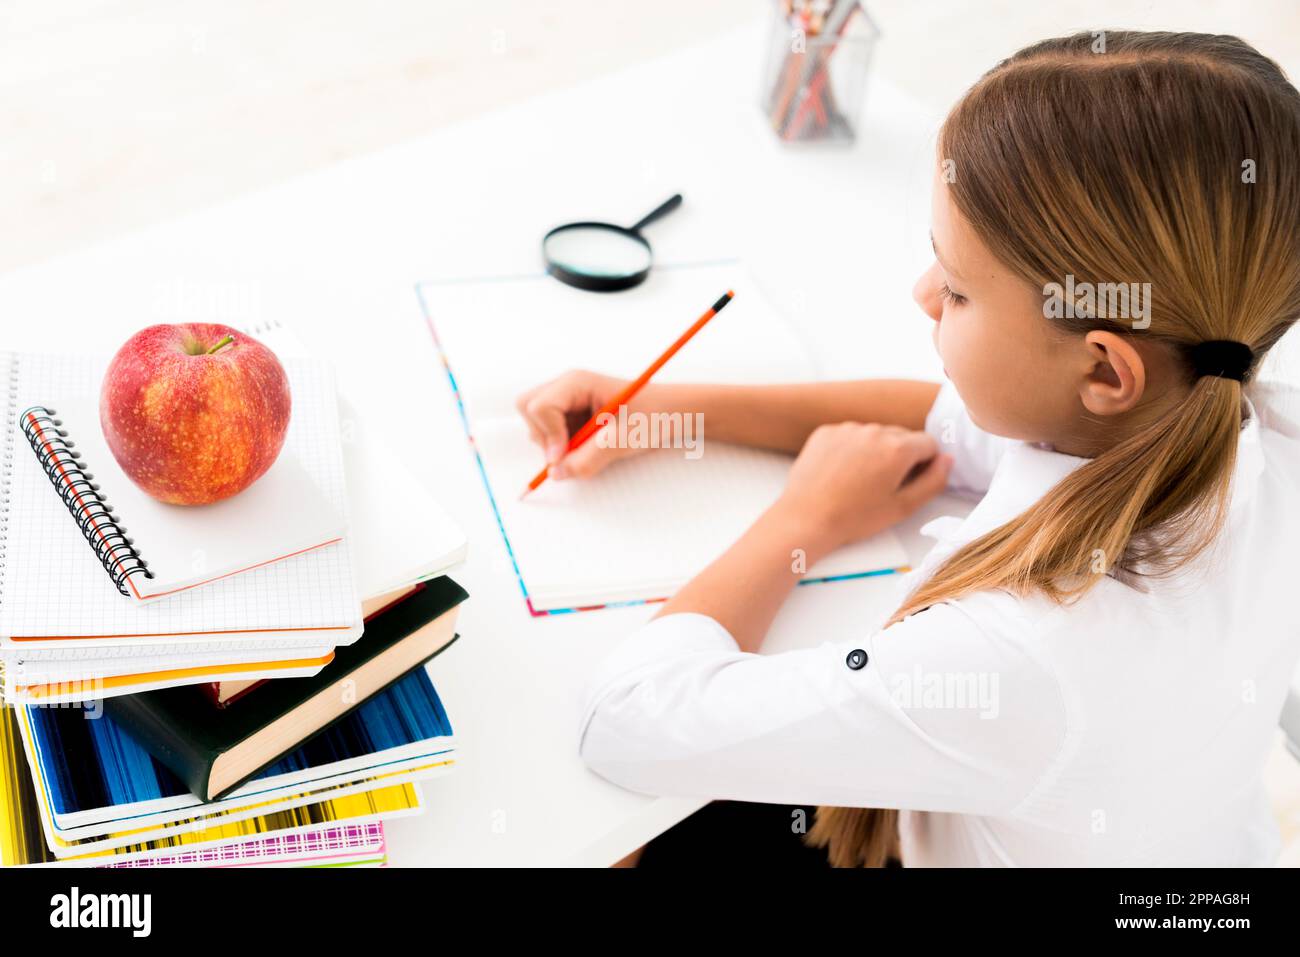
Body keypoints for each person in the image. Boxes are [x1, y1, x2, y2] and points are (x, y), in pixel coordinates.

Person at [516, 31, 1300, 866]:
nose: (921, 295)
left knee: (597, 835)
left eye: (958, 289)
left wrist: (802, 518)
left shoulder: (1021, 658)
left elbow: (626, 719)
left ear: (1105, 366)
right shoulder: (1214, 409)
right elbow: (936, 422)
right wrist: (665, 411)